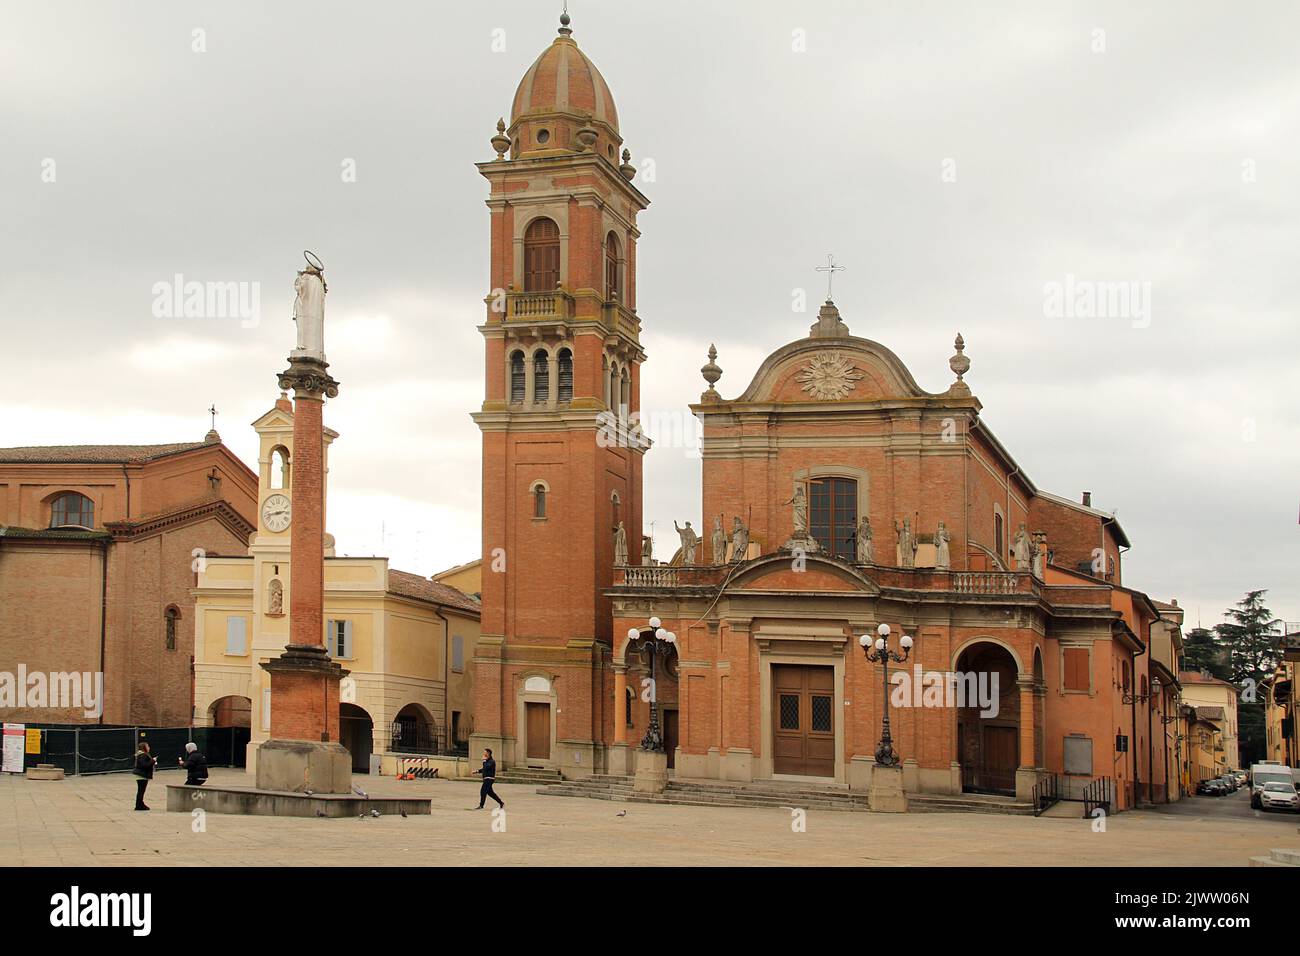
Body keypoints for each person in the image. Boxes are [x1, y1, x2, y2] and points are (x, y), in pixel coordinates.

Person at [133, 742, 156, 811]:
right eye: (147, 746)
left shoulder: (141, 755)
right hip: (142, 775)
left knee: (141, 790)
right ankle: (139, 805)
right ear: (144, 748)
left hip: (141, 774)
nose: (149, 747)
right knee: (141, 790)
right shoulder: (143, 755)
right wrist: (153, 761)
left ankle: (140, 804)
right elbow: (145, 765)